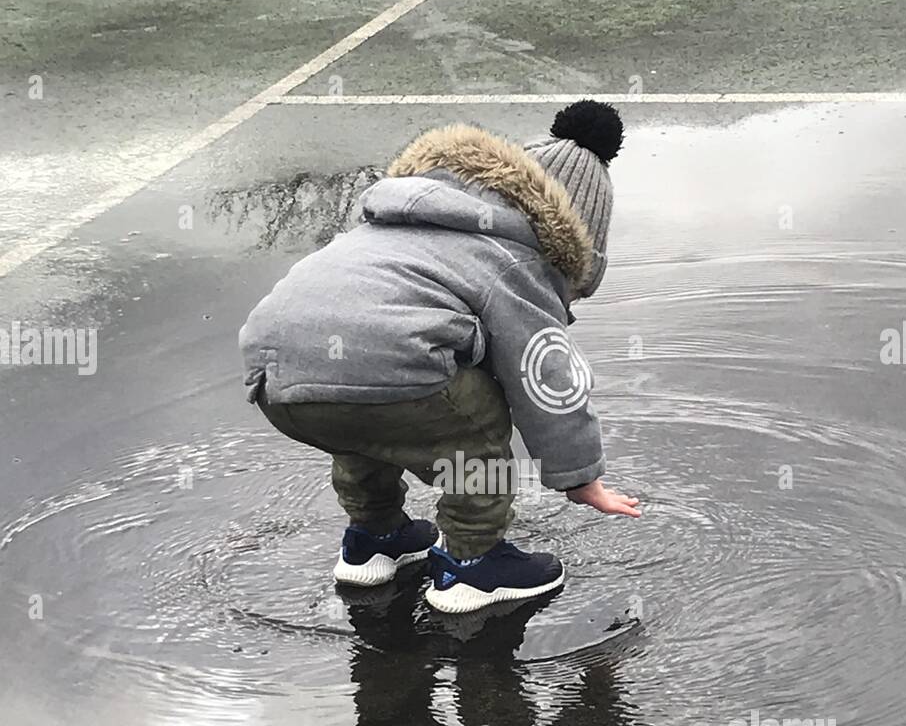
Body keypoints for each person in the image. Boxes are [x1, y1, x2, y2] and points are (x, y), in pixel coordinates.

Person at [240, 99, 640, 614]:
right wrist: (582, 478)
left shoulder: (385, 227)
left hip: (275, 377)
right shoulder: (515, 260)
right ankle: (475, 565)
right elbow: (545, 377)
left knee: (364, 410)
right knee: (475, 418)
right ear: (564, 241)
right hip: (382, 367)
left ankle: (374, 539)